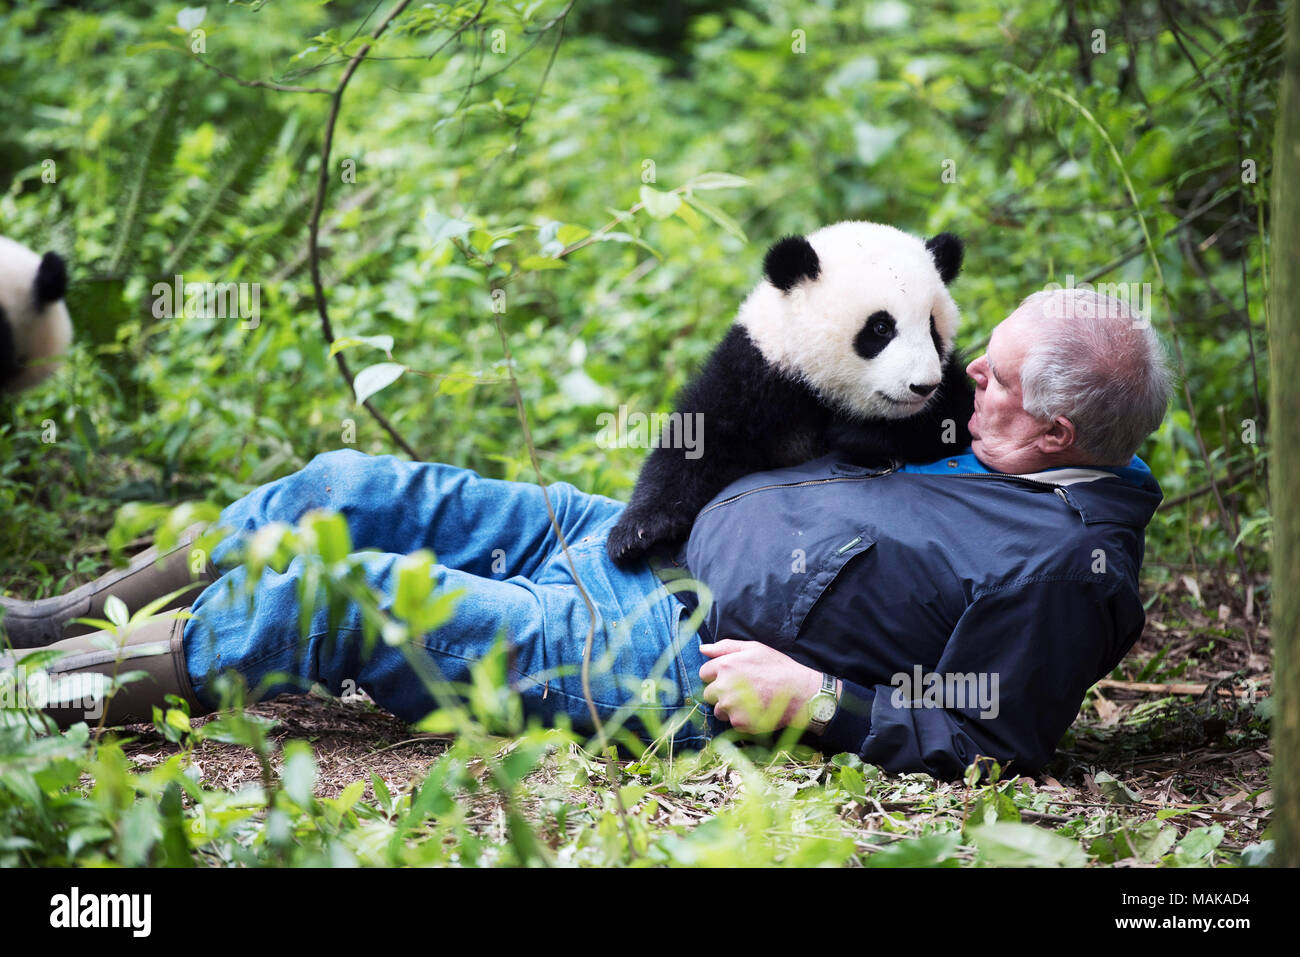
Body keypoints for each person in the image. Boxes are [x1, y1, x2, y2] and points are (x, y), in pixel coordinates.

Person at [0, 287, 1172, 779]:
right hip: (618, 534)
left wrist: (819, 701)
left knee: (338, 597)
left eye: (999, 371)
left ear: (1060, 426)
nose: (973, 371)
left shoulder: (1064, 566)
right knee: (342, 483)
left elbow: (989, 739)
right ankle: (53, 624)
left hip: (663, 650)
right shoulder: (989, 423)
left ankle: (29, 691)